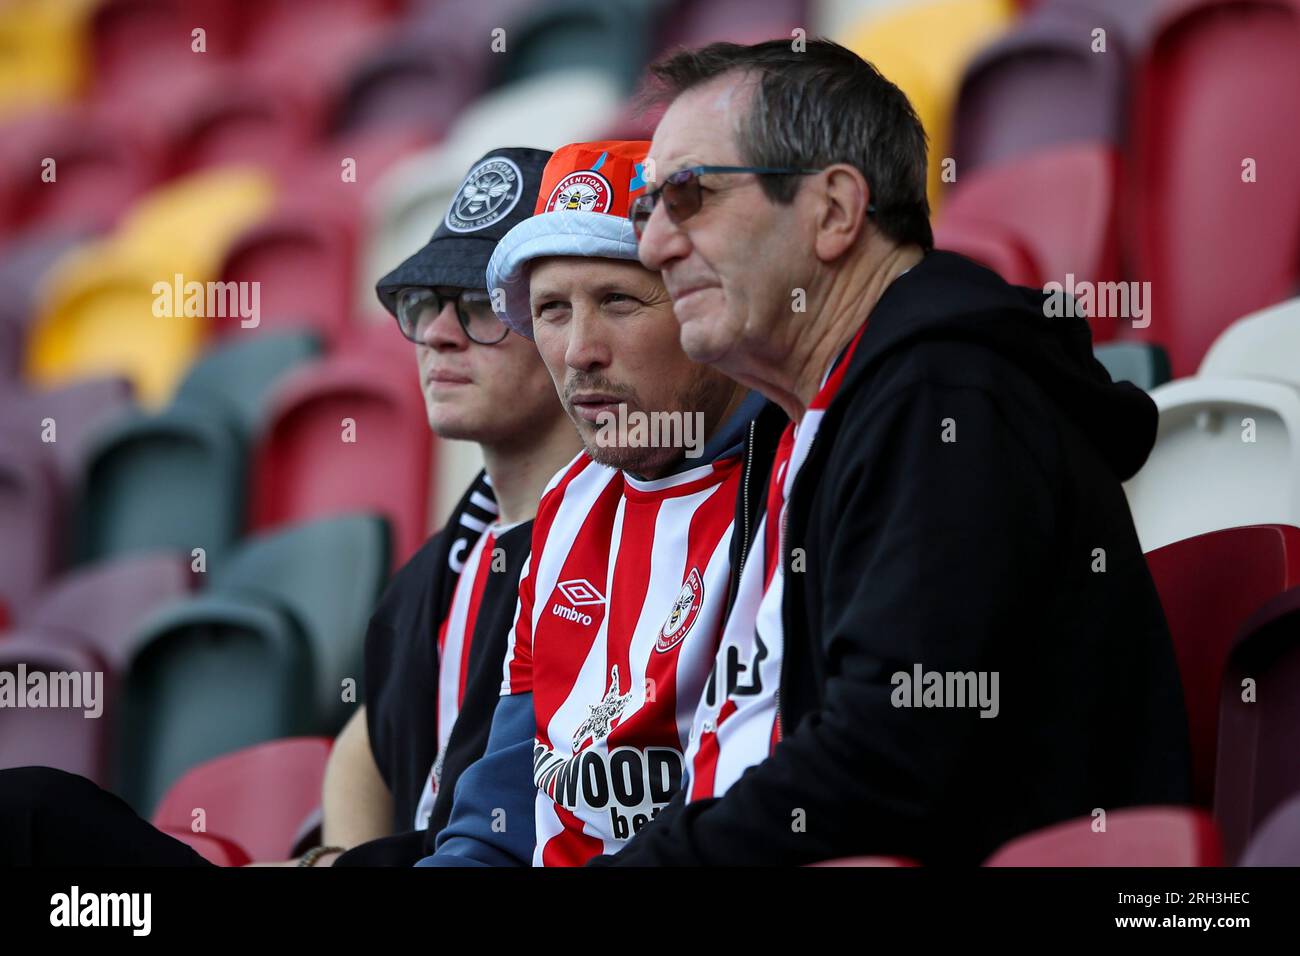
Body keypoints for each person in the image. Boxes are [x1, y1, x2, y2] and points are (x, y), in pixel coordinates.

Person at [592, 39, 1192, 866]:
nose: (654, 244)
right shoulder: (811, 417)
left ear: (835, 210)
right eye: (644, 208)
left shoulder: (944, 399)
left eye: (690, 195)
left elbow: (887, 760)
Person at [0, 147, 582, 867]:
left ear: (568, 325)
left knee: (31, 820)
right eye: (426, 304)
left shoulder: (613, 551)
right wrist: (340, 857)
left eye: (480, 308)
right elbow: (363, 744)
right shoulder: (449, 555)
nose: (436, 332)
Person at [417, 140, 765, 867]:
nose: (579, 351)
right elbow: (499, 817)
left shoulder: (801, 476)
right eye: (550, 310)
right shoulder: (569, 504)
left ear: (705, 301)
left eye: (617, 300)